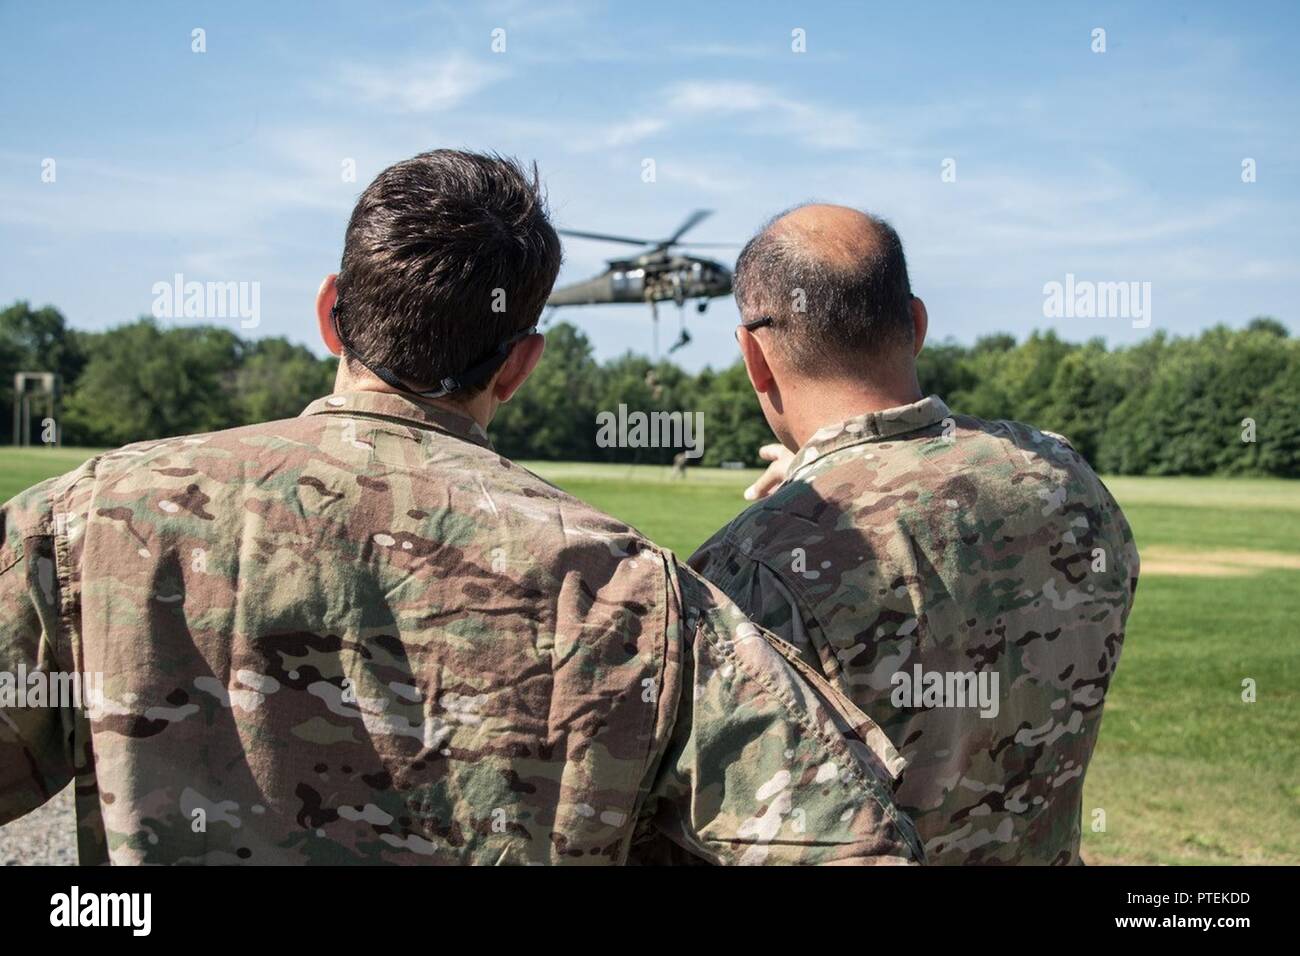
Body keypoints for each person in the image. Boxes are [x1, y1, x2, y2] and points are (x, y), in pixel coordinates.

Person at [0, 154, 921, 865]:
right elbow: (844, 841)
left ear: (330, 315)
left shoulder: (86, 519)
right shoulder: (630, 588)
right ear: (522, 365)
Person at [690, 203, 1139, 864]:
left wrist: (821, 502)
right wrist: (831, 483)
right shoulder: (1064, 477)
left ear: (755, 356)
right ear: (917, 324)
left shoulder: (752, 567)